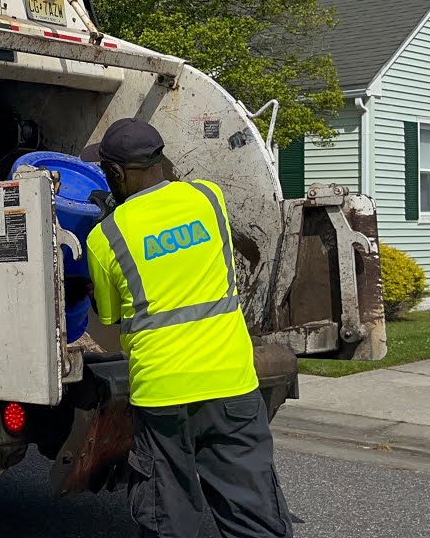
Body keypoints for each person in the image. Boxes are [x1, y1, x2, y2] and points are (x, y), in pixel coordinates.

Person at [85, 118, 291, 538]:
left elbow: (108, 319)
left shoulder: (104, 237)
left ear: (116, 173)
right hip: (230, 382)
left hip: (162, 394)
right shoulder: (208, 197)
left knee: (170, 517)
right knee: (254, 514)